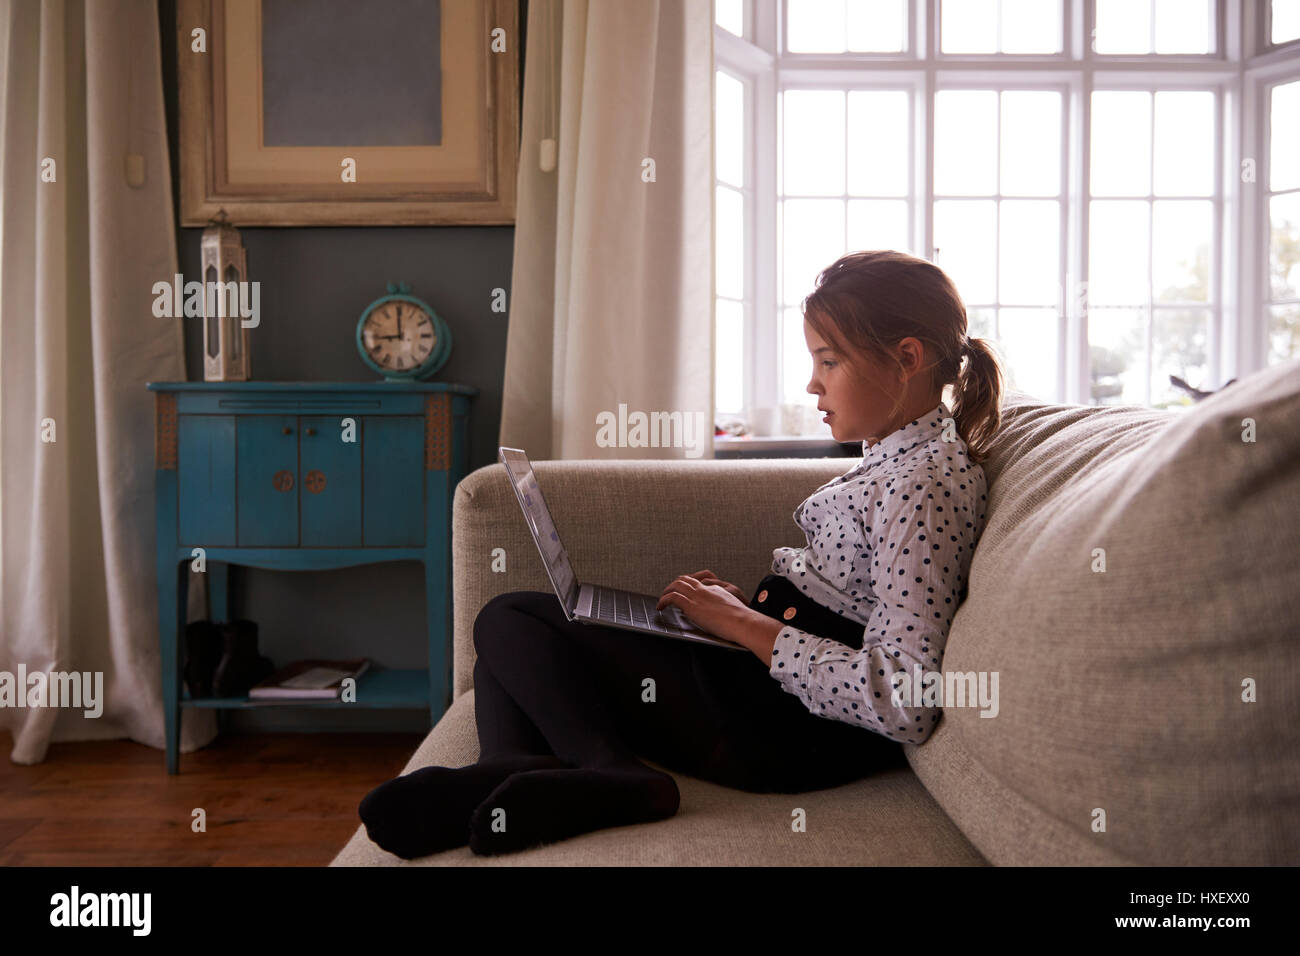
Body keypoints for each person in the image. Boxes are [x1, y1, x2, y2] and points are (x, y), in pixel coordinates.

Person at [358, 249, 1006, 859]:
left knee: (515, 620)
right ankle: (511, 766)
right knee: (517, 624)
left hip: (784, 730)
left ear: (907, 357)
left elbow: (904, 696)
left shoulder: (923, 487)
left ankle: (611, 773)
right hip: (757, 687)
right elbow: (847, 597)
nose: (812, 384)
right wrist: (732, 611)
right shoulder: (902, 459)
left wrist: (742, 624)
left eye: (828, 361)